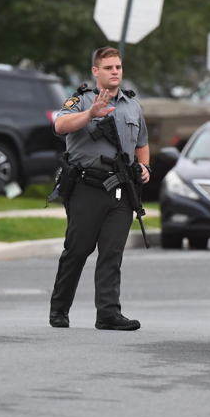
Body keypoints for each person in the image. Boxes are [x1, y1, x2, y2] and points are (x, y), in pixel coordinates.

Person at [49, 46, 150, 331]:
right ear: (96, 71)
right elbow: (60, 125)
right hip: (87, 187)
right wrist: (90, 114)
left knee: (112, 252)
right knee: (77, 250)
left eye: (117, 67)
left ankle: (108, 313)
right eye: (108, 68)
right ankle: (59, 309)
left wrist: (145, 168)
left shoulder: (132, 105)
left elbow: (142, 144)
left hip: (121, 191)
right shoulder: (80, 99)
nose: (115, 71)